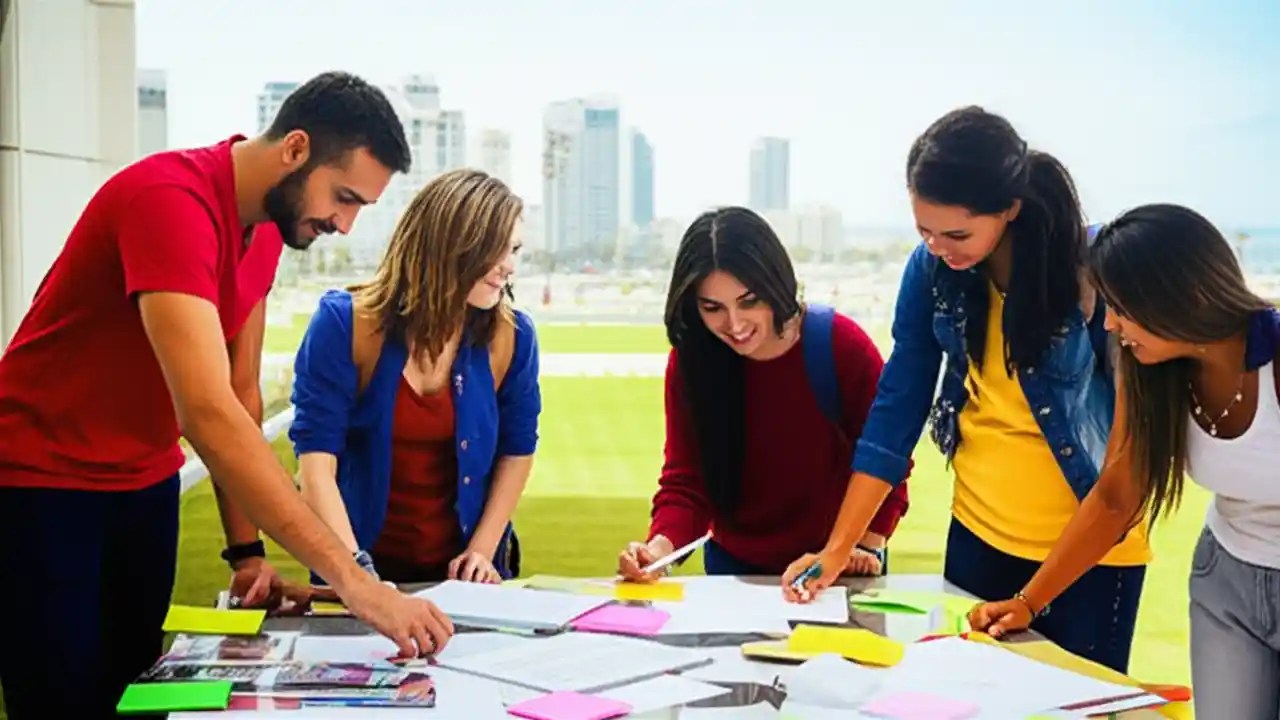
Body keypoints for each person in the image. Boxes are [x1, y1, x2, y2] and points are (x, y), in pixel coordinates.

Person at [0, 71, 454, 719]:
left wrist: (247, 555)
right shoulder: (167, 200)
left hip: (142, 484)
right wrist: (357, 584)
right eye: (344, 197)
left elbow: (241, 396)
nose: (346, 224)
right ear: (296, 149)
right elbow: (207, 413)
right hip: (40, 484)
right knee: (62, 700)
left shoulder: (267, 229)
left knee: (136, 697)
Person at [783, 106, 1150, 674]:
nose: (937, 246)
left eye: (956, 233)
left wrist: (1035, 596)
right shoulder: (932, 271)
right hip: (976, 542)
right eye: (923, 230)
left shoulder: (1095, 273)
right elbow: (897, 407)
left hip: (1090, 561)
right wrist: (837, 548)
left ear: (1009, 208)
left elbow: (1129, 466)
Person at [970, 205, 1280, 717]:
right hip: (1227, 585)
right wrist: (1027, 602)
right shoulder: (1148, 370)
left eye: (1120, 307)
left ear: (1178, 296)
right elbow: (1117, 496)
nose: (1110, 323)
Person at [617, 207, 910, 582]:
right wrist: (656, 552)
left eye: (749, 301)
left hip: (835, 568)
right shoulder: (692, 362)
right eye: (713, 308)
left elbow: (888, 458)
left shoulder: (840, 346)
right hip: (733, 570)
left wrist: (865, 545)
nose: (734, 325)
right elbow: (687, 481)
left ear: (775, 285)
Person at [291, 168, 540, 588]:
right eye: (497, 249)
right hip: (355, 573)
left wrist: (481, 551)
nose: (508, 267)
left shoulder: (513, 337)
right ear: (452, 246)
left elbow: (517, 451)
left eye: (513, 249)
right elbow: (315, 468)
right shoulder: (343, 325)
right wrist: (356, 575)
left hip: (465, 583)